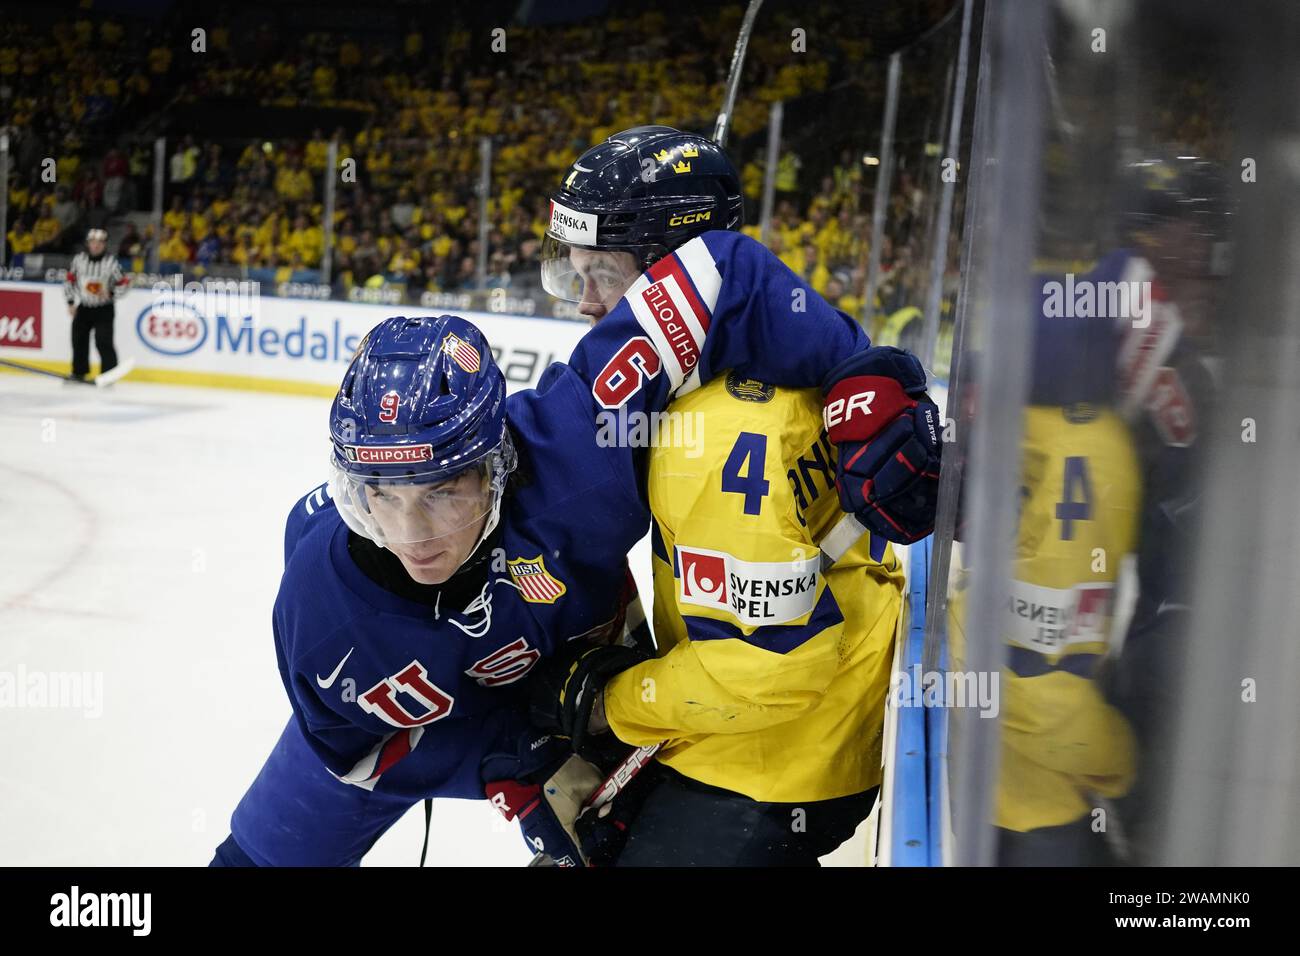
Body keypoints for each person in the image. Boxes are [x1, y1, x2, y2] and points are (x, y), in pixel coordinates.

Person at [209, 212, 934, 866]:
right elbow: (374, 756)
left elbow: (721, 271)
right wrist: (520, 770)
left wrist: (861, 379)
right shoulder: (326, 618)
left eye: (442, 491)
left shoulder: (573, 447)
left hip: (575, 694)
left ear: (497, 463)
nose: (411, 537)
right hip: (414, 739)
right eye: (378, 499)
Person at [529, 126, 941, 865]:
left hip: (772, 761)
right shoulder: (770, 350)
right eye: (572, 273)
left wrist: (606, 704)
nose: (585, 305)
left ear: (667, 277)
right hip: (788, 725)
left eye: (604, 275)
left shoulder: (713, 437)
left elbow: (772, 665)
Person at [63, 228, 128, 383]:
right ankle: (79, 372)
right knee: (78, 339)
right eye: (93, 242)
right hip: (84, 307)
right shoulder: (79, 260)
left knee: (103, 341)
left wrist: (111, 294)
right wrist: (71, 302)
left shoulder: (111, 263)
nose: (96, 245)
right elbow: (70, 280)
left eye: (100, 242)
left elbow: (124, 283)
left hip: (104, 309)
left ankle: (109, 374)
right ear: (88, 244)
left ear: (105, 245)